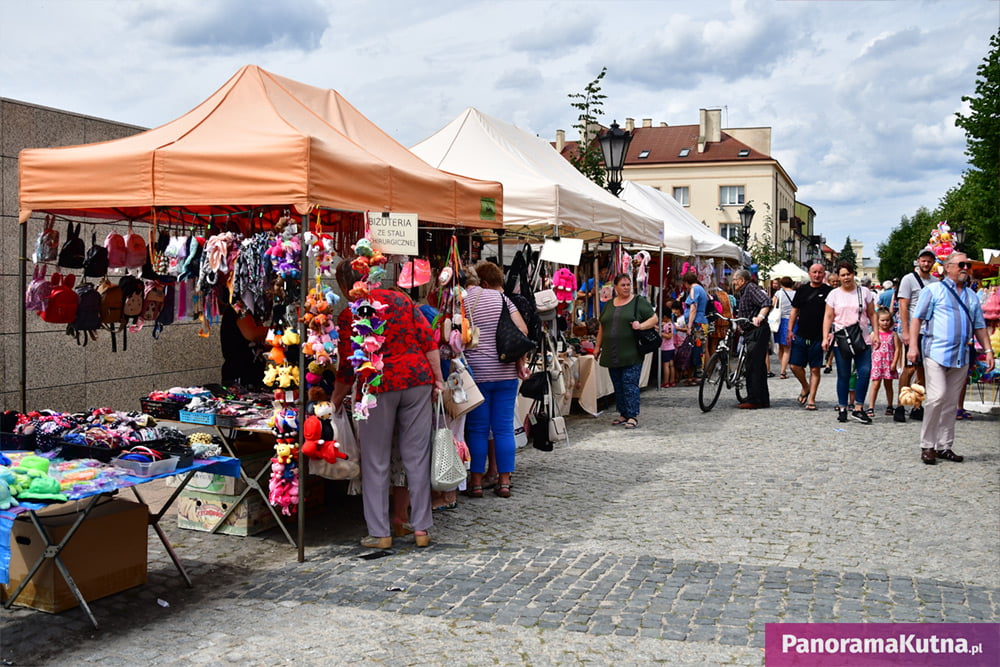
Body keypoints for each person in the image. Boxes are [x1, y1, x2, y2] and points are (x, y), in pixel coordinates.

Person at [332, 259, 444, 549]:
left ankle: (380, 533)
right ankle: (421, 529)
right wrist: (438, 380)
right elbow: (427, 341)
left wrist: (335, 399)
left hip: (377, 385)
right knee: (416, 457)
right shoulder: (400, 299)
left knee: (376, 460)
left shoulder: (350, 313)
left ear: (344, 285)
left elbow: (347, 365)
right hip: (416, 378)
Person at [909, 252, 994, 464]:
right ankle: (927, 445)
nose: (965, 268)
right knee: (937, 397)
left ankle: (944, 446)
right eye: (961, 264)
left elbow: (980, 326)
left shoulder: (972, 296)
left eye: (967, 265)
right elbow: (917, 318)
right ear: (947, 267)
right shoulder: (933, 290)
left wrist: (988, 350)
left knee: (951, 402)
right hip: (935, 353)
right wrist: (913, 346)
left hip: (961, 355)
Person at [464, 260, 529, 499]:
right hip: (505, 371)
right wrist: (520, 361)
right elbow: (523, 331)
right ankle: (504, 481)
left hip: (477, 374)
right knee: (503, 429)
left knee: (477, 429)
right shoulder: (502, 299)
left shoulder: (463, 301)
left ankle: (476, 482)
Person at [593, 273, 657, 429]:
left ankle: (632, 415)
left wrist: (640, 326)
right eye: (623, 285)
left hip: (632, 352)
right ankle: (623, 413)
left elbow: (654, 319)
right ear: (615, 287)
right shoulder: (609, 304)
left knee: (630, 384)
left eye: (628, 284)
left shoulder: (638, 302)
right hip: (612, 353)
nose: (627, 287)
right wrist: (597, 347)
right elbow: (602, 327)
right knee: (618, 384)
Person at [822, 261, 878, 425]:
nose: (846, 277)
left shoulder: (864, 292)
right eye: (843, 275)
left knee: (865, 371)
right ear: (838, 277)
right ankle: (842, 408)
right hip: (842, 339)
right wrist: (825, 337)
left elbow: (872, 314)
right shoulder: (834, 294)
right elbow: (828, 316)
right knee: (844, 374)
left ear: (853, 274)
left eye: (848, 274)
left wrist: (876, 333)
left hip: (862, 338)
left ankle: (858, 407)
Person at [895, 248, 939, 422]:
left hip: (929, 332)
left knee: (923, 370)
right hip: (914, 331)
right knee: (909, 368)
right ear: (918, 261)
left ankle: (917, 405)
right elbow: (903, 306)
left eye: (929, 261)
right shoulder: (909, 279)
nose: (926, 264)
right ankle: (900, 404)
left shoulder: (935, 282)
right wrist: (905, 331)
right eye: (923, 261)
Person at [787, 264, 831, 411]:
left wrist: (829, 334)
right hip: (801, 334)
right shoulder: (802, 290)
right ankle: (805, 386)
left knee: (815, 369)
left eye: (820, 272)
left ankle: (811, 399)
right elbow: (794, 311)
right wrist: (790, 330)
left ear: (824, 274)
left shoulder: (829, 292)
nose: (817, 275)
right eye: (814, 272)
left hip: (818, 336)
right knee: (794, 366)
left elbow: (832, 314)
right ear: (809, 274)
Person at [731, 269, 772, 409]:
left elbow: (766, 301)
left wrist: (760, 317)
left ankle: (754, 400)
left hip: (756, 331)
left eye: (735, 280)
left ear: (742, 280)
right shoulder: (745, 291)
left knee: (753, 366)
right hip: (752, 332)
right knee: (758, 366)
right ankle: (761, 399)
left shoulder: (750, 288)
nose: (733, 283)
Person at [867, 307, 902, 419]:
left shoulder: (893, 334)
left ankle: (890, 405)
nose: (885, 322)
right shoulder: (874, 334)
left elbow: (897, 349)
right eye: (882, 320)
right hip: (877, 363)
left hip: (888, 362)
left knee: (888, 385)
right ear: (877, 321)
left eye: (887, 320)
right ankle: (871, 406)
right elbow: (869, 348)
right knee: (875, 384)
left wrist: (894, 362)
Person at [682, 271, 710, 385]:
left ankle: (698, 376)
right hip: (701, 322)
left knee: (697, 349)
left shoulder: (694, 289)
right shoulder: (701, 289)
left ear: (686, 282)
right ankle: (696, 375)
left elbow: (693, 308)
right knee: (699, 349)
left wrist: (689, 325)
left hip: (697, 323)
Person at [772, 276, 797, 379]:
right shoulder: (795, 294)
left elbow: (772, 304)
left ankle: (782, 370)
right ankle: (783, 371)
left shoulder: (779, 293)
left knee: (781, 347)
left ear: (781, 284)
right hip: (792, 321)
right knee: (787, 348)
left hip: (779, 321)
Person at [659, 308, 676, 388]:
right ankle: (672, 381)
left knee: (666, 365)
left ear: (665, 317)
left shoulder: (668, 325)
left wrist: (660, 333)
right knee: (671, 365)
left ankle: (666, 382)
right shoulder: (670, 324)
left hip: (666, 348)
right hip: (671, 347)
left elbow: (669, 336)